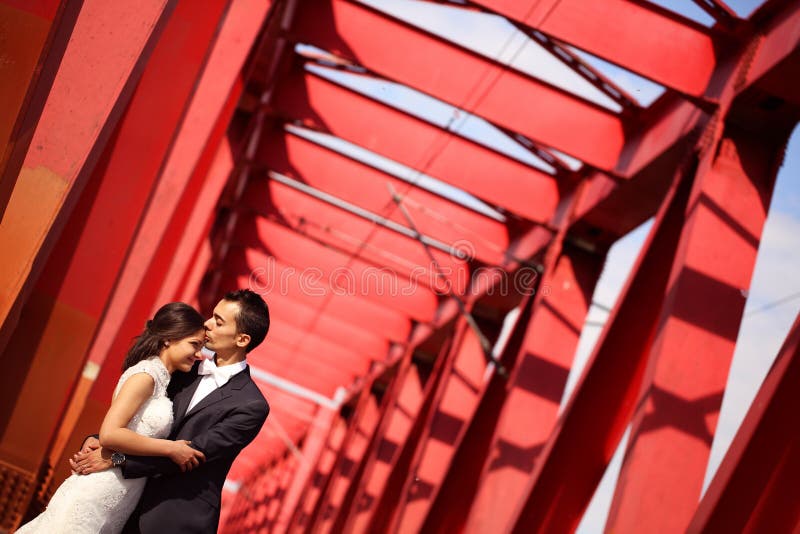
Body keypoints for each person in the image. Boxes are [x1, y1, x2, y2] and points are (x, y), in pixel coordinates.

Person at [71, 289, 270, 533]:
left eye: (218, 322)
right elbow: (146, 420)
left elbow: (189, 456)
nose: (206, 324)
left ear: (242, 340)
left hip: (174, 520)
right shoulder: (183, 369)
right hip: (126, 500)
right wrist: (99, 440)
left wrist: (116, 459)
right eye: (212, 316)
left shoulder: (251, 406)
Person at [16, 302, 208, 533]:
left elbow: (126, 440)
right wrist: (170, 448)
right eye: (194, 344)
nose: (199, 354)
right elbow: (110, 434)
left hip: (118, 496)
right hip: (98, 493)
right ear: (169, 338)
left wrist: (117, 457)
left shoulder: (161, 380)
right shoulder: (146, 376)